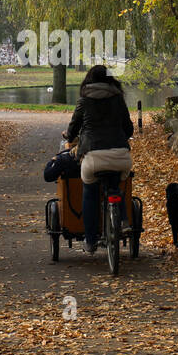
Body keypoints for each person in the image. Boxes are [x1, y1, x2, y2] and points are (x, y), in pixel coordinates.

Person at [63, 65, 133, 254]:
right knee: (115, 186)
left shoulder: (84, 101)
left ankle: (91, 239)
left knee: (90, 192)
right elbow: (129, 129)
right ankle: (124, 221)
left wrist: (69, 137)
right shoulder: (118, 99)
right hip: (120, 155)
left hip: (93, 156)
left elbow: (73, 129)